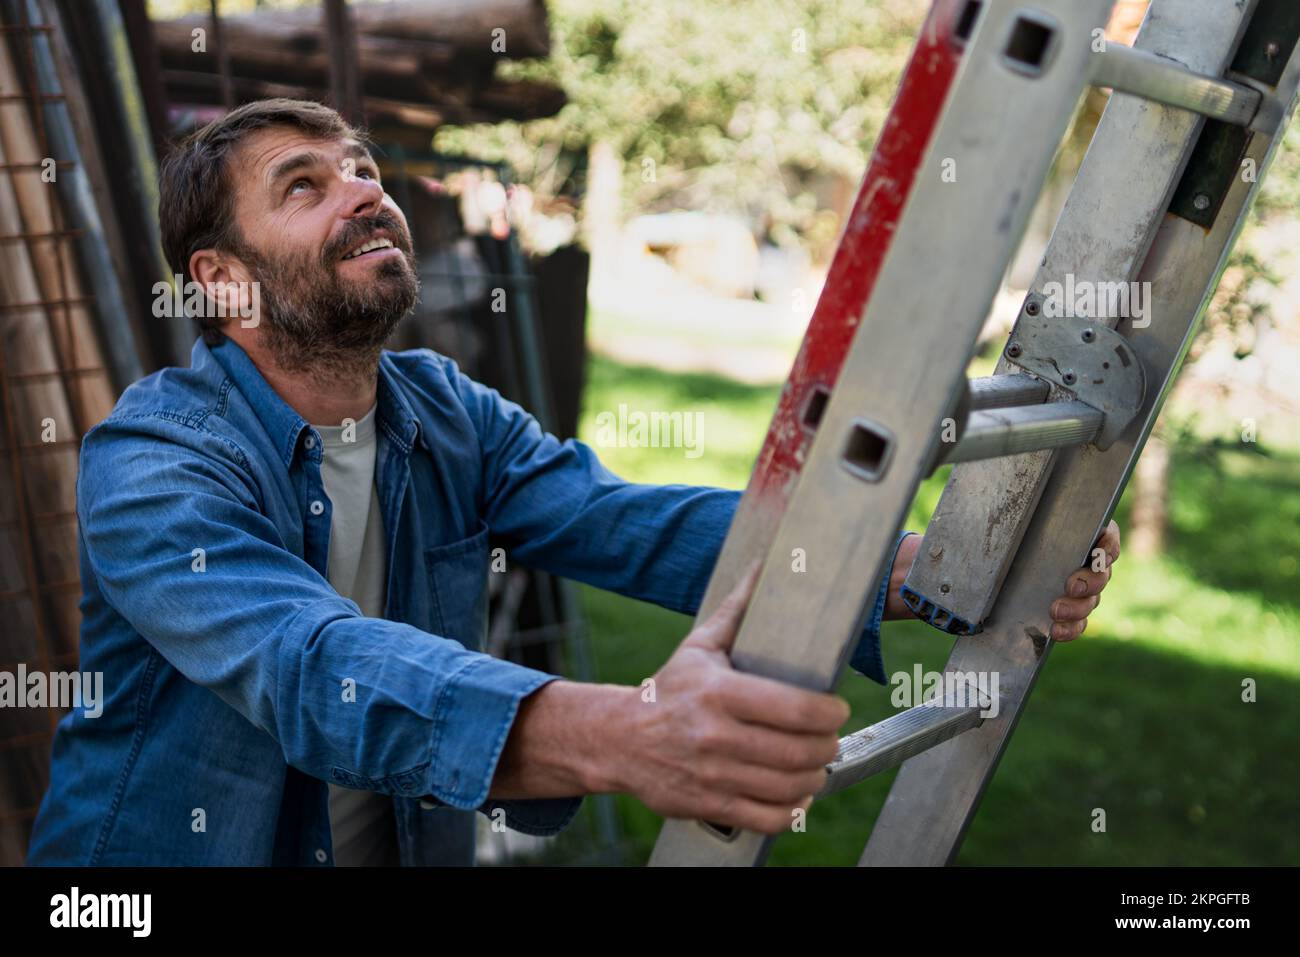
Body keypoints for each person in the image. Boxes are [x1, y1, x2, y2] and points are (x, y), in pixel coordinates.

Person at [26, 99, 1119, 866]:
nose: (360, 191)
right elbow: (310, 667)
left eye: (359, 166)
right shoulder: (155, 462)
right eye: (302, 186)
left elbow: (625, 524)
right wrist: (627, 732)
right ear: (223, 284)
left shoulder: (440, 407)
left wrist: (924, 571)